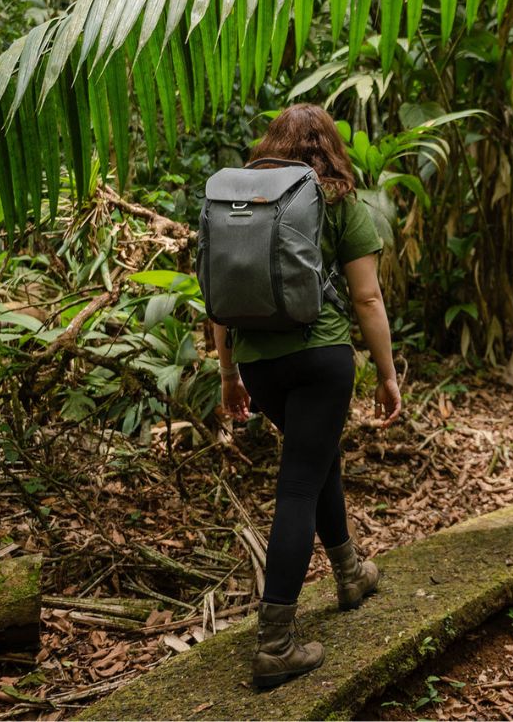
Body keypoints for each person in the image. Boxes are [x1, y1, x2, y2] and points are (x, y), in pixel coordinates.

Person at [206, 103, 403, 690]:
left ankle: (349, 573)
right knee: (298, 481)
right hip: (320, 360)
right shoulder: (339, 201)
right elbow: (367, 300)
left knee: (315, 460)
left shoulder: (240, 204)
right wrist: (388, 375)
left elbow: (221, 294)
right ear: (331, 147)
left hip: (258, 362)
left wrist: (228, 374)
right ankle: (275, 644)